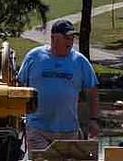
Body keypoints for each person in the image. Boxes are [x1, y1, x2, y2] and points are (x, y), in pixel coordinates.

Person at [17, 19, 99, 151]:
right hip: (37, 128)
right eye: (66, 38)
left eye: (72, 38)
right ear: (53, 38)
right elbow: (20, 86)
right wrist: (19, 117)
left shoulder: (80, 61)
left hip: (68, 130)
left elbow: (92, 91)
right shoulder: (34, 57)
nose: (70, 42)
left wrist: (94, 119)